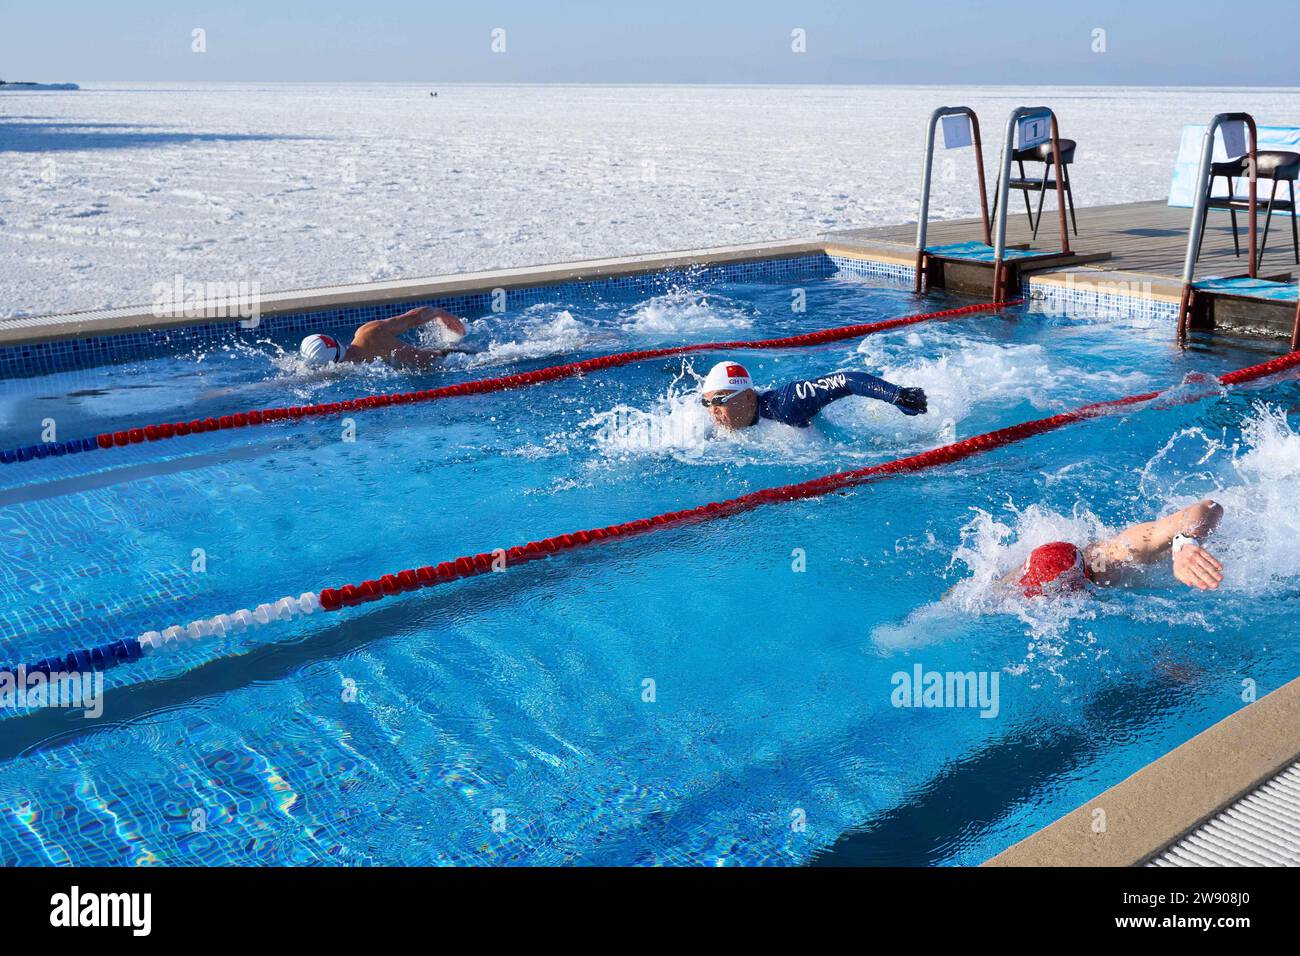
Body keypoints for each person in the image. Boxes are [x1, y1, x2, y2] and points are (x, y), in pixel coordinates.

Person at [1013, 499, 1225, 597]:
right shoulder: (1024, 576)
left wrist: (1185, 543)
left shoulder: (1122, 552)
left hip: (1218, 552)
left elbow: (1209, 508)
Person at [698, 360, 927, 430]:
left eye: (719, 401)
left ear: (748, 397)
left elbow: (845, 380)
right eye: (706, 402)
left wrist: (897, 395)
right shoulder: (709, 427)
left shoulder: (787, 403)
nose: (712, 410)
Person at [299, 306, 468, 371]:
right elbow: (412, 317)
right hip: (435, 360)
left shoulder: (340, 373)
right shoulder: (368, 331)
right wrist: (438, 312)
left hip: (436, 361)